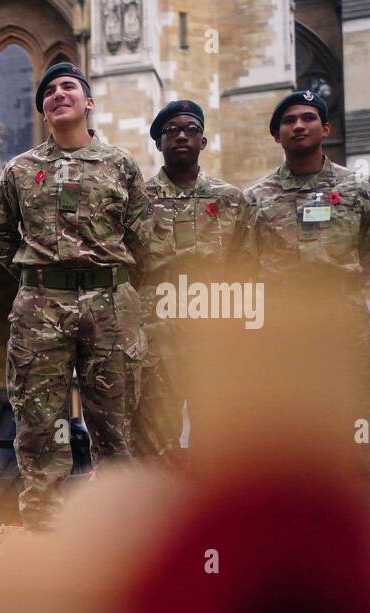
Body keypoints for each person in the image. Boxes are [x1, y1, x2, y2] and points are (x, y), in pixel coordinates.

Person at [0, 62, 151, 531]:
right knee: (39, 426)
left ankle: (120, 530)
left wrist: (112, 279)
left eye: (69, 87)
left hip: (110, 304)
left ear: (88, 102)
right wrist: (38, 279)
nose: (59, 94)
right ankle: (44, 532)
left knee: (116, 424)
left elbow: (144, 237)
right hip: (40, 307)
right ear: (42, 109)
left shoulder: (120, 164)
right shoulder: (20, 170)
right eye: (50, 91)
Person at [244, 90, 370, 452]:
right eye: (288, 121)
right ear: (277, 136)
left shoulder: (359, 188)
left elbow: (369, 248)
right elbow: (244, 262)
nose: (298, 126)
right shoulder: (255, 198)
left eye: (307, 118)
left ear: (325, 128)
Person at [135, 100, 249, 466]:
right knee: (155, 441)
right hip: (155, 338)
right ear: (159, 144)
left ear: (203, 141)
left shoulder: (231, 200)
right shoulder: (138, 201)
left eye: (191, 130)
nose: (182, 135)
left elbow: (246, 267)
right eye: (172, 131)